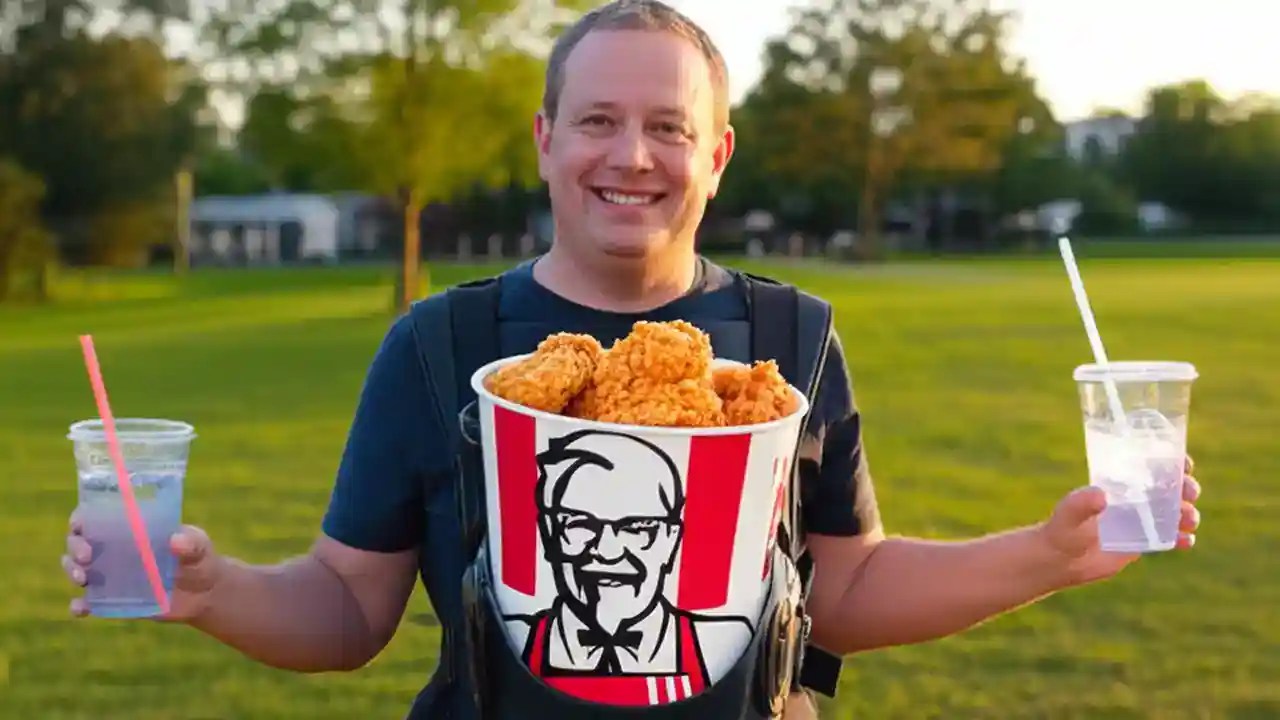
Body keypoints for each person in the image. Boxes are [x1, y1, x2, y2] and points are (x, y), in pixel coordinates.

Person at [61, 1, 1203, 718]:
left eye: (667, 127)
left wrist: (1047, 554)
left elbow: (843, 589)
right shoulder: (439, 347)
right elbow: (346, 612)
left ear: (716, 154)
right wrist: (210, 591)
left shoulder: (788, 341)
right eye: (598, 120)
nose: (632, 155)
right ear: (545, 141)